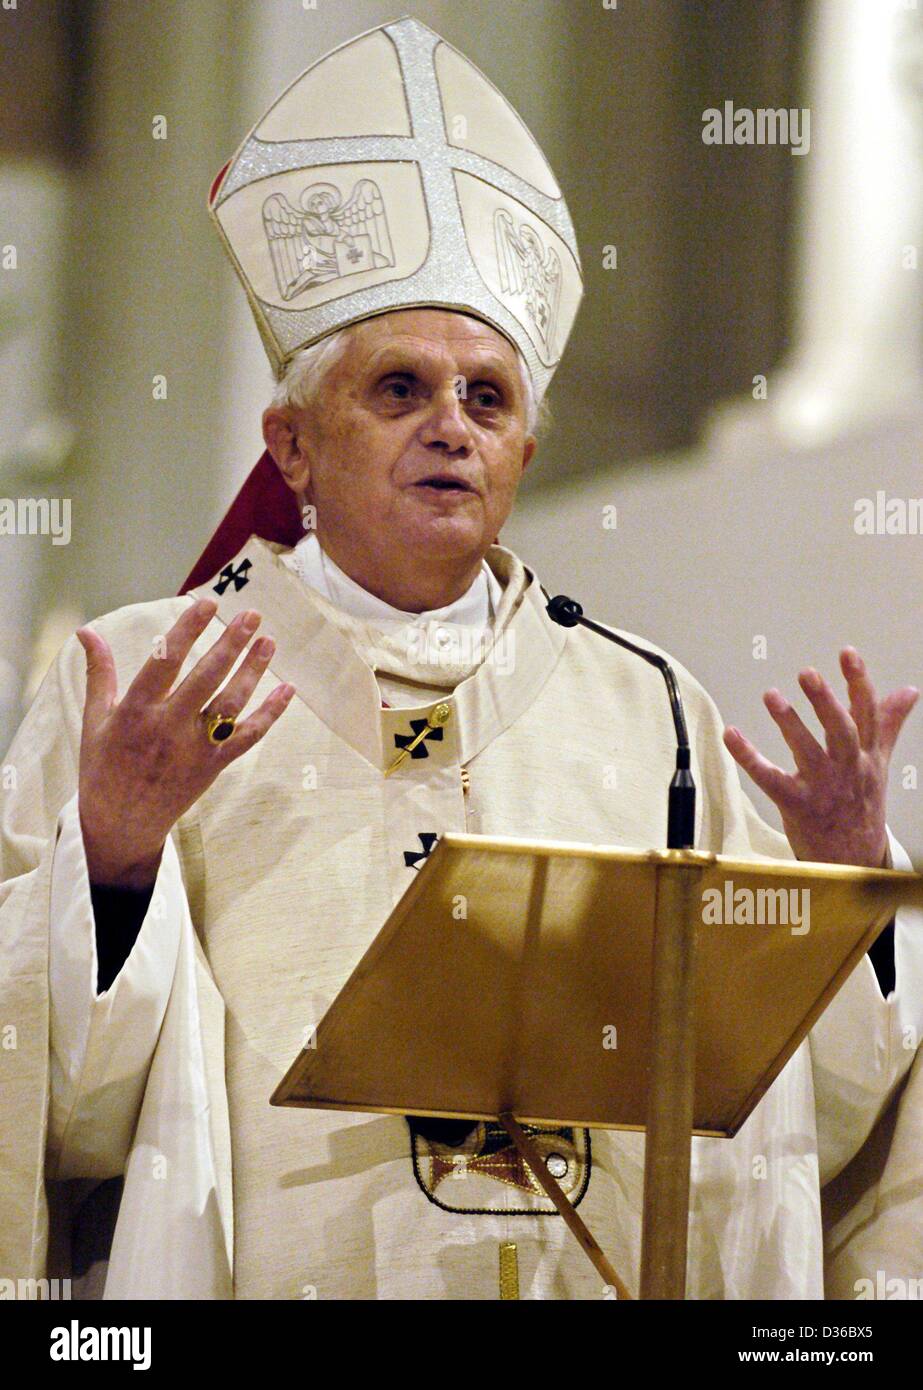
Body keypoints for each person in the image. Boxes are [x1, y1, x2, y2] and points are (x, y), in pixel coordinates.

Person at [1, 16, 920, 1301]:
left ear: (525, 454)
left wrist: (842, 896)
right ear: (291, 445)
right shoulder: (145, 682)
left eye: (488, 398)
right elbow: (55, 1114)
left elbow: (796, 1132)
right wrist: (110, 861)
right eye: (399, 389)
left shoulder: (648, 709)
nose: (452, 427)